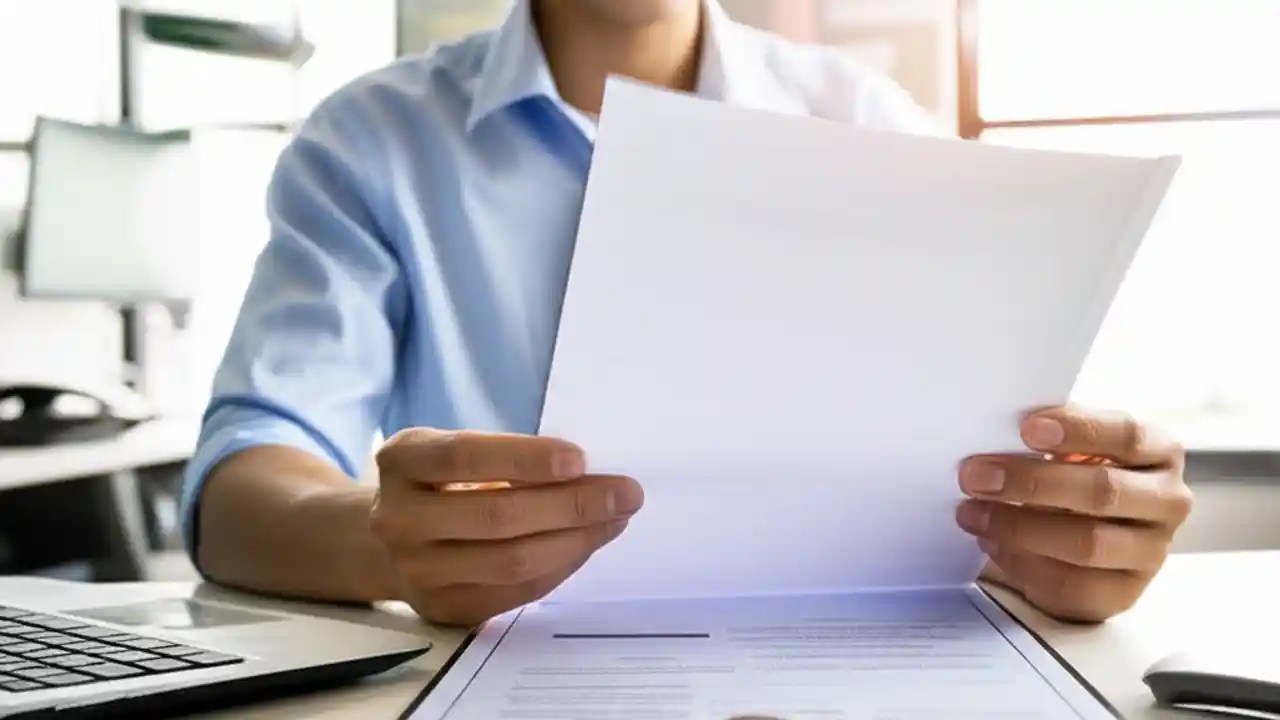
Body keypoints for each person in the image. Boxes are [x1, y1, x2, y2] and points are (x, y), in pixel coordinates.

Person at [183, 0, 1193, 627]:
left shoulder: (865, 117)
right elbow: (248, 473)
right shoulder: (370, 141)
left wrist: (1072, 535)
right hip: (508, 668)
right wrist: (379, 543)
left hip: (862, 667)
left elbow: (1003, 440)